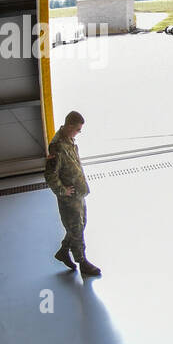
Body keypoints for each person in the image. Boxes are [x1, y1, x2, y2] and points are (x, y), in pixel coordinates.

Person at [46, 110, 101, 276]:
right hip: (69, 198)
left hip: (78, 193)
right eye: (77, 129)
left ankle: (63, 251)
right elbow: (50, 175)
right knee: (76, 229)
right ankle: (82, 262)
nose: (78, 132)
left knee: (81, 224)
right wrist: (63, 191)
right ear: (69, 126)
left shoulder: (68, 140)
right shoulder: (57, 147)